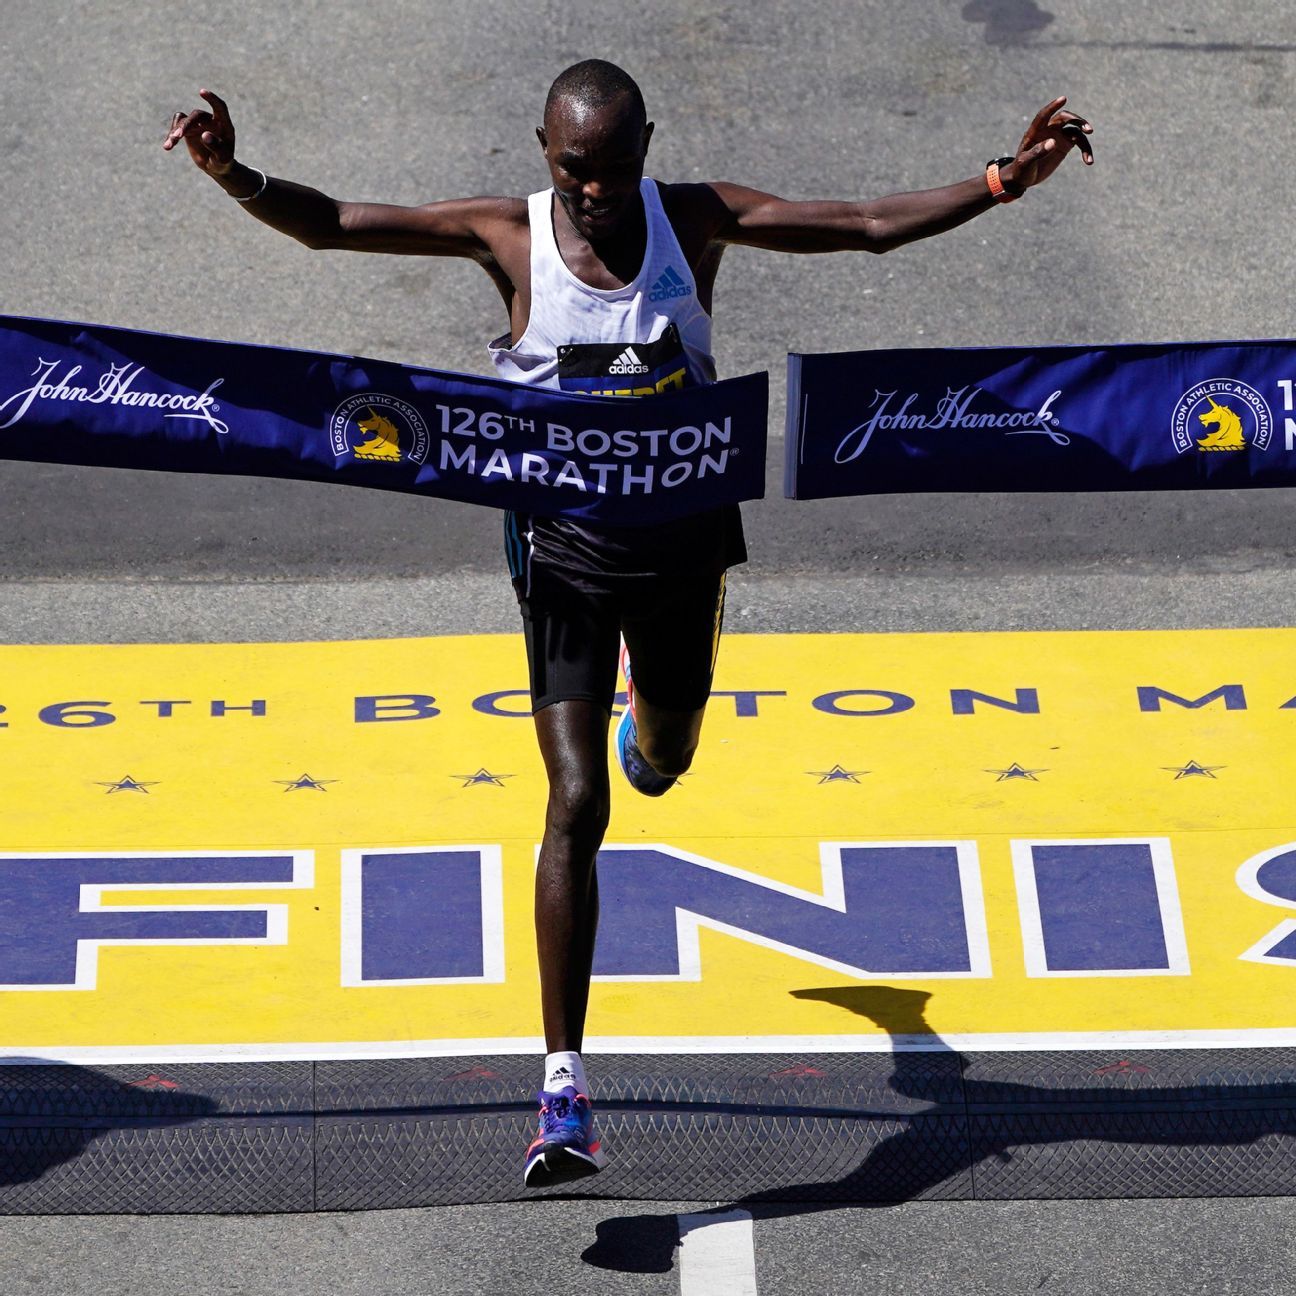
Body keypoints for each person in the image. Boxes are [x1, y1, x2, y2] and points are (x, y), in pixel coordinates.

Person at [164, 60, 1093, 1188]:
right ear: (542, 154)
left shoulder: (690, 223)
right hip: (562, 554)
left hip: (682, 546)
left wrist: (1004, 179)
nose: (595, 195)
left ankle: (650, 740)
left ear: (648, 149)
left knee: (665, 753)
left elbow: (858, 226)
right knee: (574, 801)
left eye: (614, 171)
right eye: (573, 171)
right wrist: (233, 173)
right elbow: (339, 225)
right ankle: (563, 1090)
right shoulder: (507, 239)